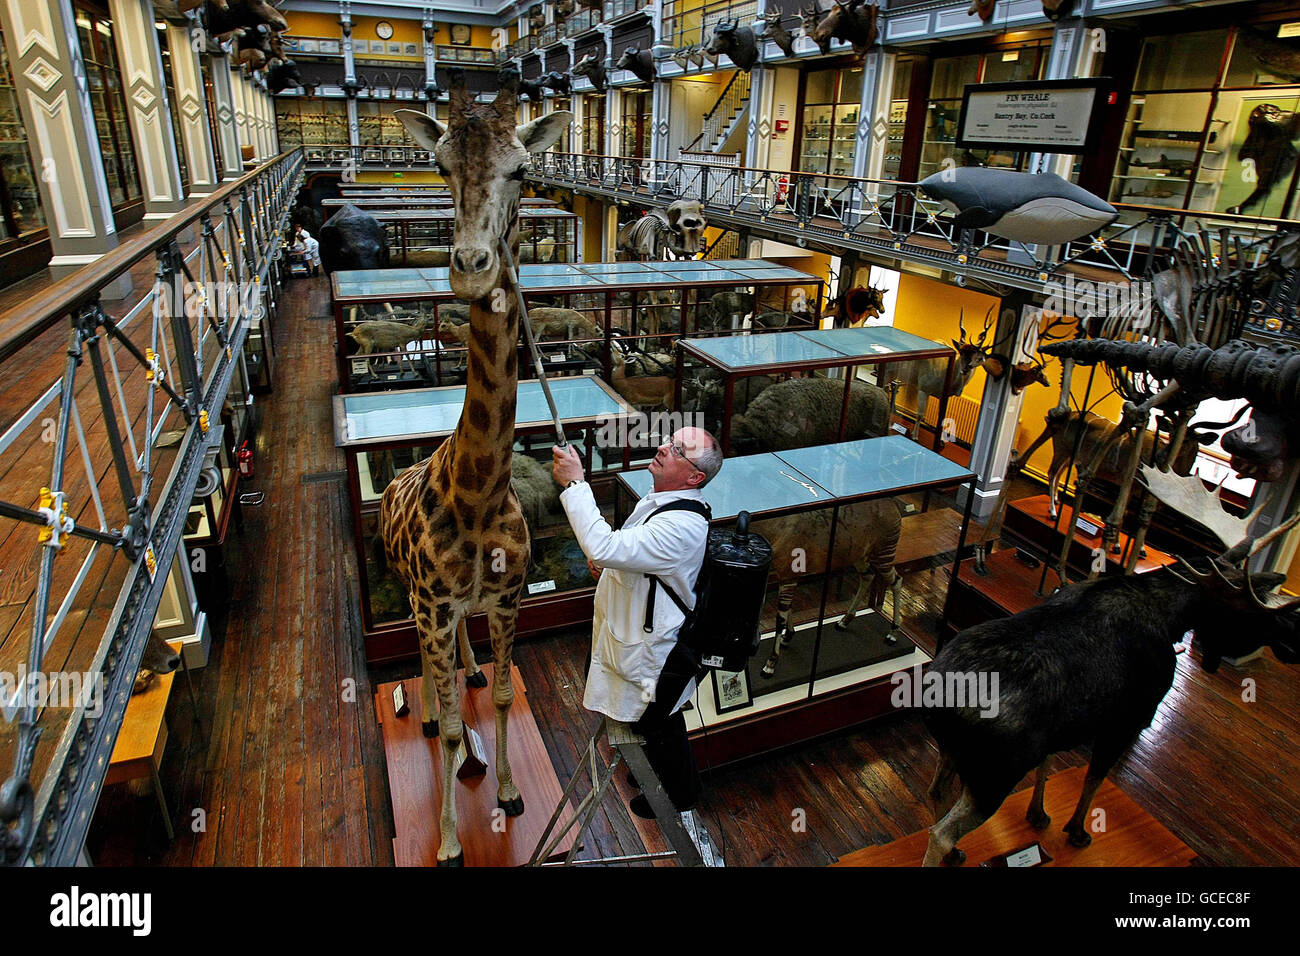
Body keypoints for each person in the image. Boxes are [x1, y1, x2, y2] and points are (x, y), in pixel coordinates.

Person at [553, 428, 723, 819]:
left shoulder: (682, 524)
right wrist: (612, 568)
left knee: (659, 722)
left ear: (695, 477)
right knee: (655, 722)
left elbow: (605, 546)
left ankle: (680, 794)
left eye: (678, 449)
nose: (663, 447)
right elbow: (631, 553)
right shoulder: (663, 500)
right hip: (640, 635)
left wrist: (576, 483)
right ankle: (655, 776)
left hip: (658, 652)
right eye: (670, 440)